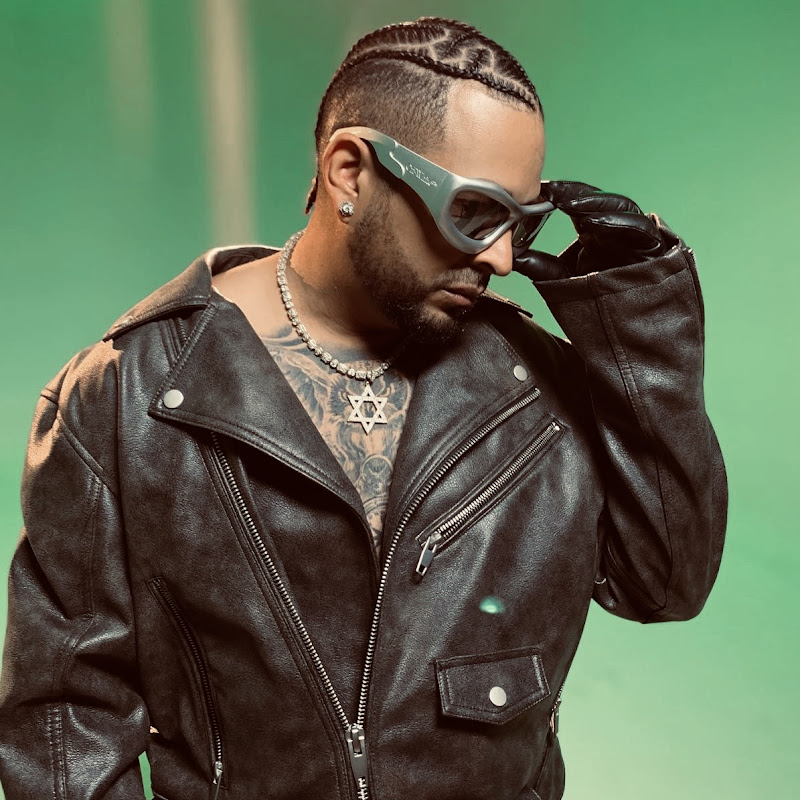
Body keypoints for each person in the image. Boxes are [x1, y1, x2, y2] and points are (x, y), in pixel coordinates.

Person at [0, 16, 726, 800]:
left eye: (521, 225)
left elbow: (664, 583)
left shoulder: (535, 387)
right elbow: (65, 724)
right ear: (350, 172)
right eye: (475, 213)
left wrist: (638, 325)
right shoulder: (126, 397)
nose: (501, 258)